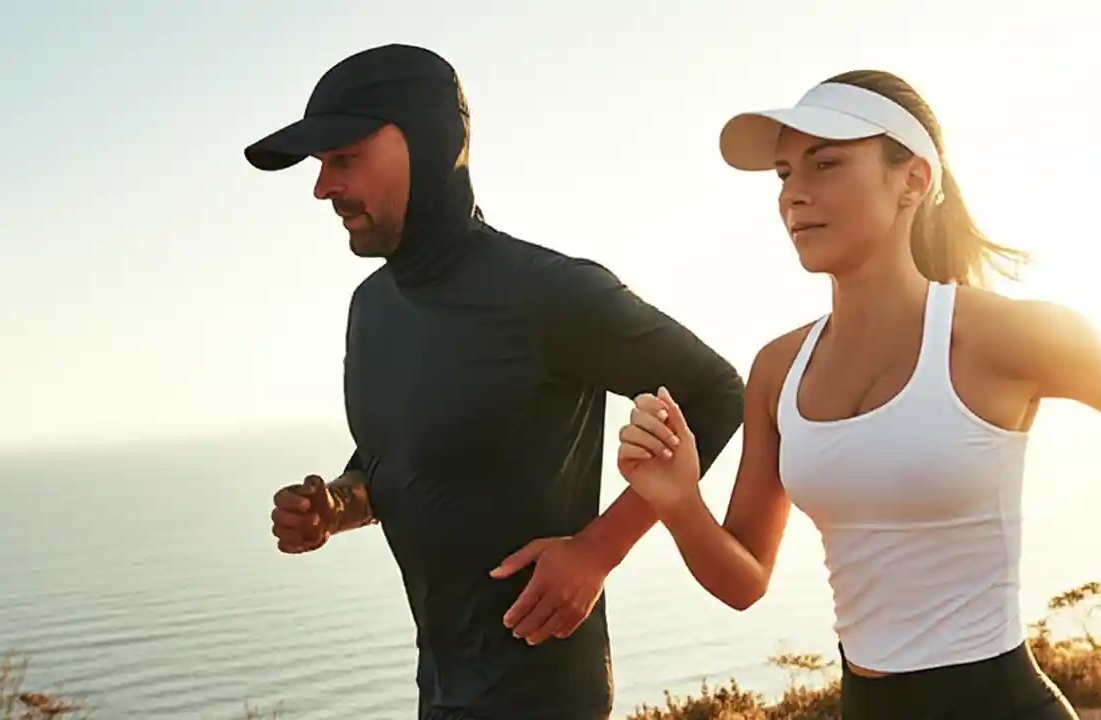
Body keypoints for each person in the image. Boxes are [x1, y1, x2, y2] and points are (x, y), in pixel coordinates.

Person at [613, 71, 1101, 719]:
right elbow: (745, 580)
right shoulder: (778, 367)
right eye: (783, 174)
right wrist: (680, 501)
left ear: (913, 181)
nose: (795, 195)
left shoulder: (996, 333)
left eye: (825, 164)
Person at [246, 44, 745, 720]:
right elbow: (397, 464)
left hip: (545, 697)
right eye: (320, 165)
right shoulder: (371, 309)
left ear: (425, 143)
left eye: (344, 158)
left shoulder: (549, 294)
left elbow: (716, 393)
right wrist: (338, 506)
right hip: (442, 694)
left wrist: (600, 549)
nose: (323, 187)